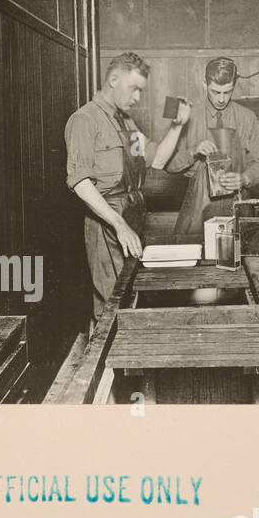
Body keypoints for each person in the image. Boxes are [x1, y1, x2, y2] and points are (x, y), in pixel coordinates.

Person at [65, 52, 190, 324]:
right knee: (112, 304)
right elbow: (81, 183)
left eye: (141, 91)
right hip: (106, 222)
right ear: (113, 80)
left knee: (131, 299)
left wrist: (177, 127)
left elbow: (156, 160)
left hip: (132, 216)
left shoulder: (127, 123)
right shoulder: (85, 120)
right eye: (134, 88)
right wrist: (118, 224)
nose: (137, 98)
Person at [167, 57, 259, 235]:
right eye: (215, 92)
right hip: (197, 211)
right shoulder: (188, 117)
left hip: (238, 205)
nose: (222, 99)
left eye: (227, 92)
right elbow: (169, 164)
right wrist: (193, 152)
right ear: (204, 85)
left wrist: (245, 178)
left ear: (234, 86)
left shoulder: (247, 117)